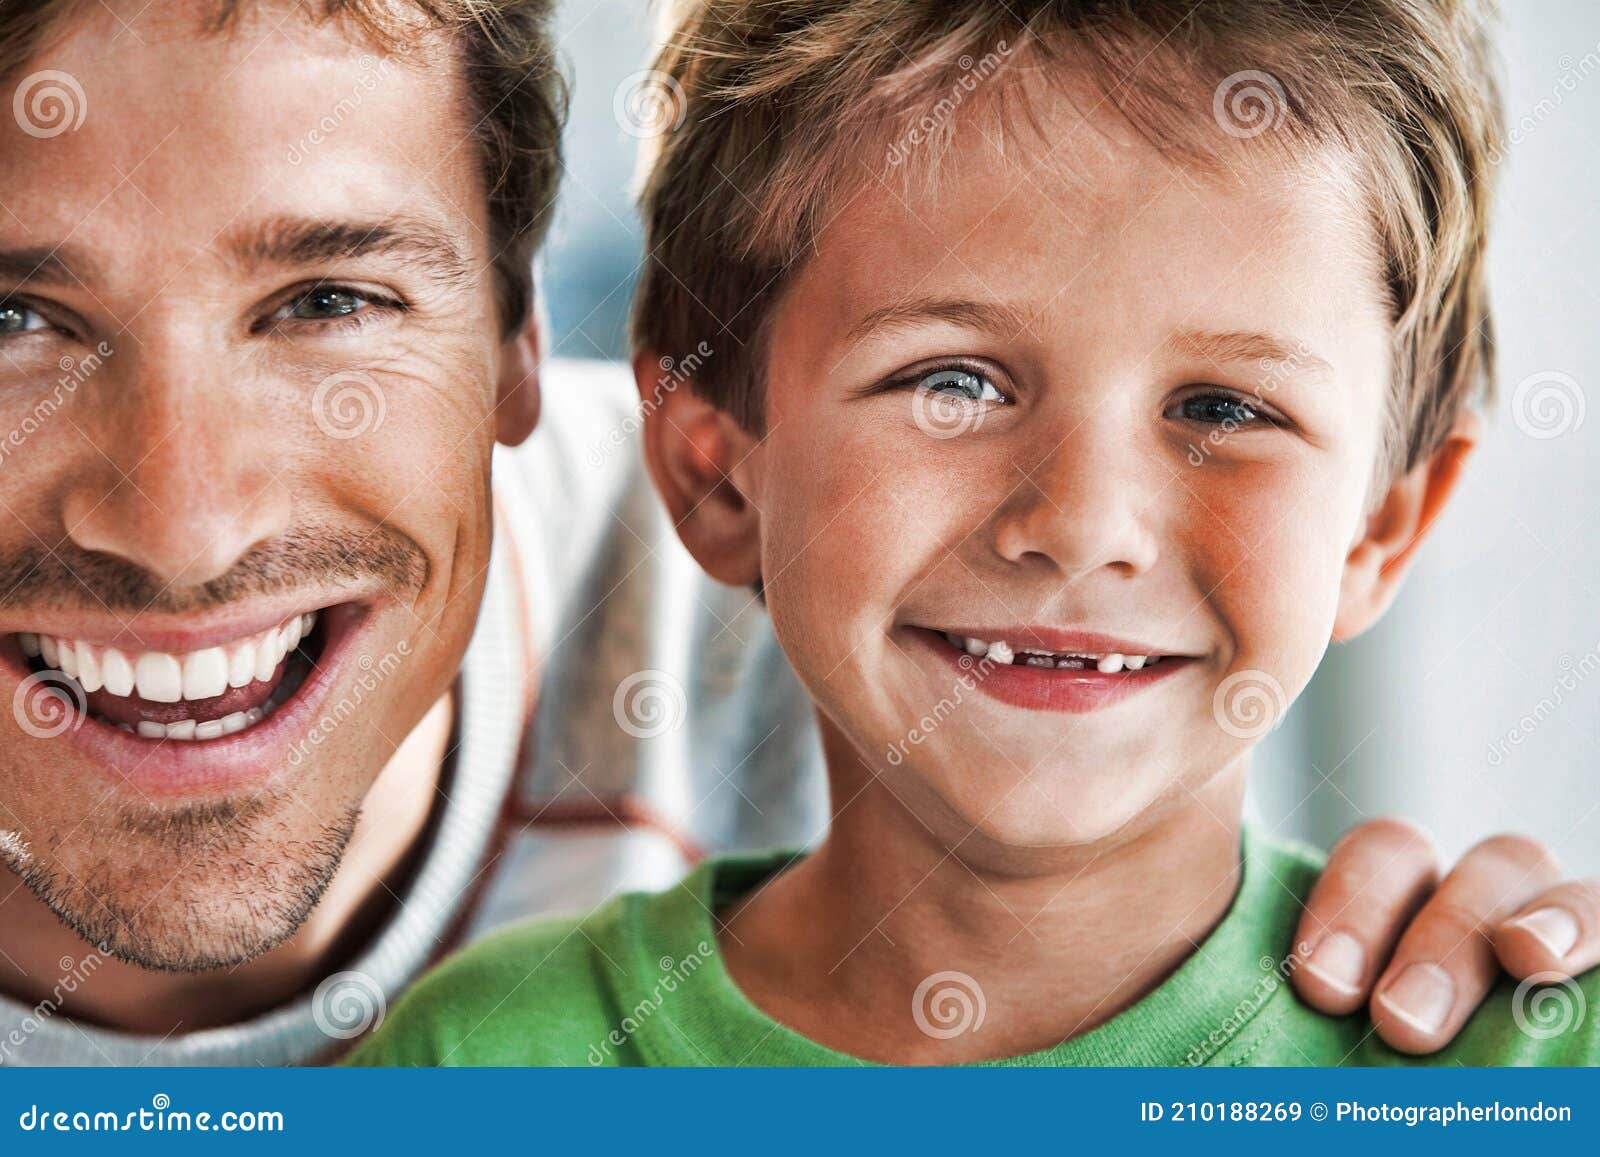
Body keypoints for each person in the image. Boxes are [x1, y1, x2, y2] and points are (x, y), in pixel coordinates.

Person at [0, 0, 1585, 1068]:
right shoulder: (488, 1056)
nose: (180, 523)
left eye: (334, 298)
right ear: (718, 467)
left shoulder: (1486, 1048)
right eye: (11, 317)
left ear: (512, 346)